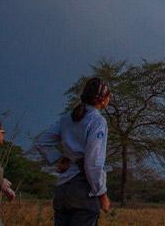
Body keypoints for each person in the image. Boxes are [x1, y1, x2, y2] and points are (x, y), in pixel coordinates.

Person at [34, 78, 112, 226]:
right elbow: (93, 163)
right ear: (102, 99)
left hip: (63, 190)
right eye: (108, 95)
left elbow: (41, 141)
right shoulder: (97, 121)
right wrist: (102, 194)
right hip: (83, 192)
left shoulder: (67, 118)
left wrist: (59, 158)